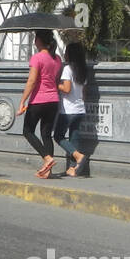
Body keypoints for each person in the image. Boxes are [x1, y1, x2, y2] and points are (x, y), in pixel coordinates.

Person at [16, 29, 61, 178]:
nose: (34, 41)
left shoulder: (37, 58)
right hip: (53, 101)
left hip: (38, 101)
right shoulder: (57, 59)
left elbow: (32, 81)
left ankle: (47, 159)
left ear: (39, 41)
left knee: (27, 131)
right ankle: (47, 172)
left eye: (35, 38)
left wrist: (22, 101)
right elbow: (54, 80)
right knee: (46, 135)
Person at [54, 41, 91, 178]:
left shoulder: (67, 69)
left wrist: (56, 85)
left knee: (58, 136)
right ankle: (72, 169)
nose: (64, 54)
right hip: (80, 109)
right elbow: (84, 93)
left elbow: (67, 89)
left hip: (68, 110)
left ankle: (79, 156)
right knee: (74, 138)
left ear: (70, 55)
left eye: (66, 52)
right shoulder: (83, 70)